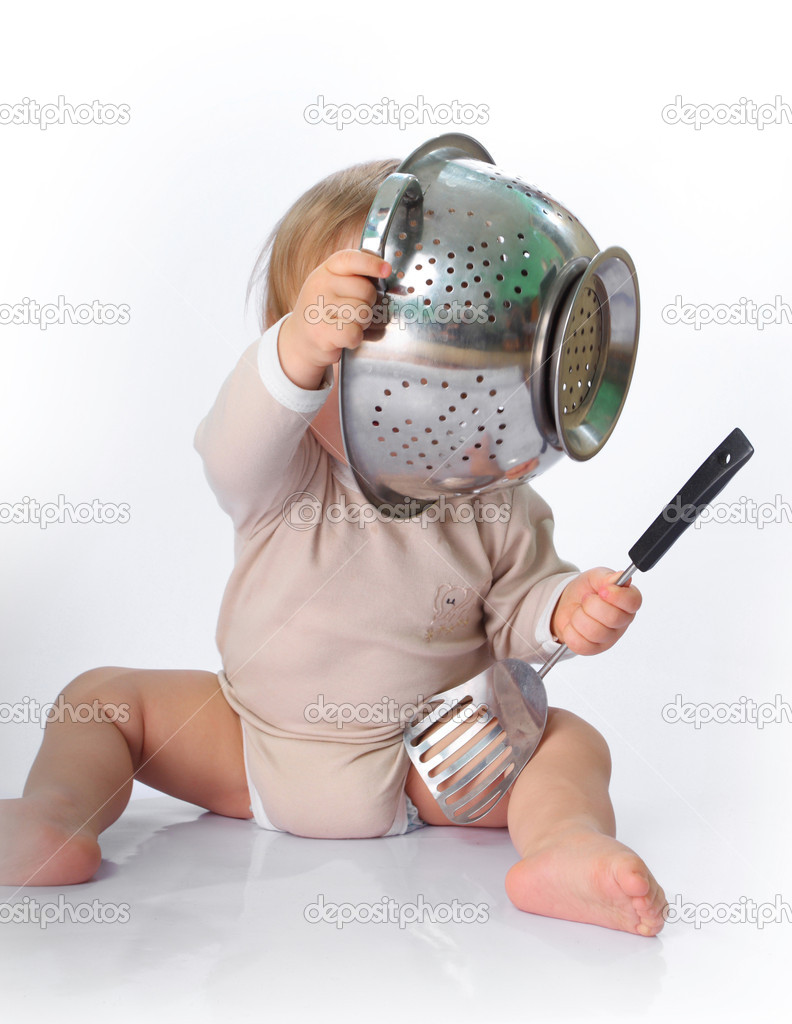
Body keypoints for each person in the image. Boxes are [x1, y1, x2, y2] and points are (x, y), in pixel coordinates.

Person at [0, 157, 667, 937]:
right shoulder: (283, 474)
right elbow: (229, 442)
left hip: (430, 762)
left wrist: (568, 609)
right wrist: (297, 348)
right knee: (101, 696)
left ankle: (564, 848)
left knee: (572, 743)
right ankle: (51, 817)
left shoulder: (495, 497)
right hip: (252, 742)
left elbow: (521, 609)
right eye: (348, 334)